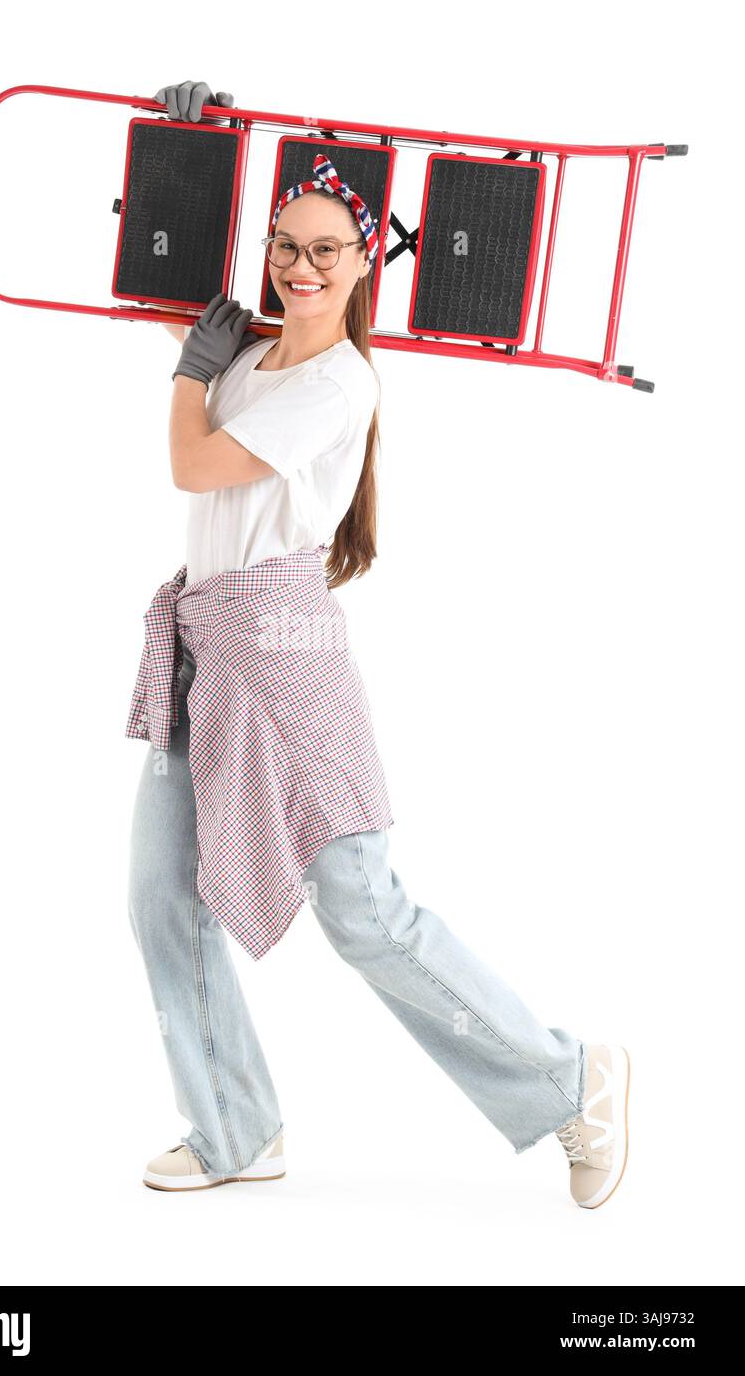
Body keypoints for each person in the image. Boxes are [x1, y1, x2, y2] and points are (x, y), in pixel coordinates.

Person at [126, 79, 630, 1206]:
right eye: (282, 245)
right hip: (209, 649)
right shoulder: (250, 359)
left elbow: (193, 462)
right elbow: (164, 299)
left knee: (361, 908)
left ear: (366, 265)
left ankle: (569, 1078)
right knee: (163, 894)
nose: (298, 267)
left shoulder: (338, 380)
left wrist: (186, 372)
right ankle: (234, 1126)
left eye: (324, 251)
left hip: (288, 657)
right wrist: (184, 146)